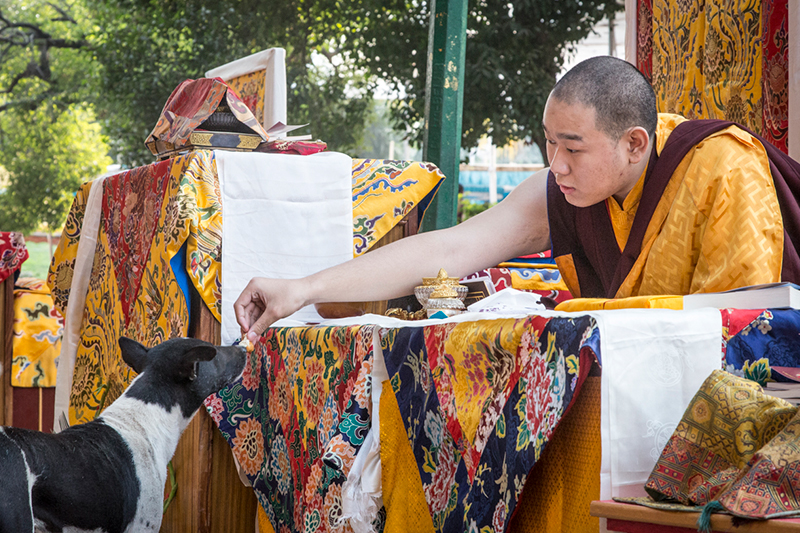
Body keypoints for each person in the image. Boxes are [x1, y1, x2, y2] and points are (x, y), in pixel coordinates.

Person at [235, 55, 800, 342]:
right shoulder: (571, 188)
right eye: (549, 143)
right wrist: (301, 288)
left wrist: (580, 314)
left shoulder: (723, 168)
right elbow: (452, 249)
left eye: (572, 147)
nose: (556, 165)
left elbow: (744, 323)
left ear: (634, 143)